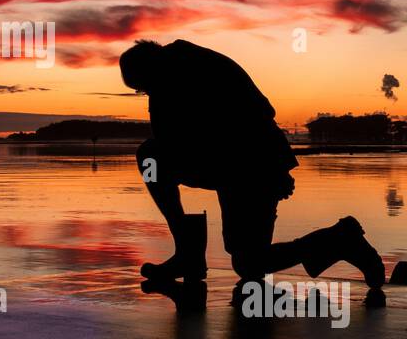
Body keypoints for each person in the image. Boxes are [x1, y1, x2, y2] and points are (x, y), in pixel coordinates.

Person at [119, 39, 386, 303]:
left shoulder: (192, 66)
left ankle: (340, 238)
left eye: (142, 87)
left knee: (249, 264)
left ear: (151, 68)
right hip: (228, 167)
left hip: (255, 165)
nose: (145, 93)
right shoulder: (167, 79)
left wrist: (276, 171)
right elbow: (168, 138)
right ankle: (187, 252)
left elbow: (259, 111)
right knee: (151, 157)